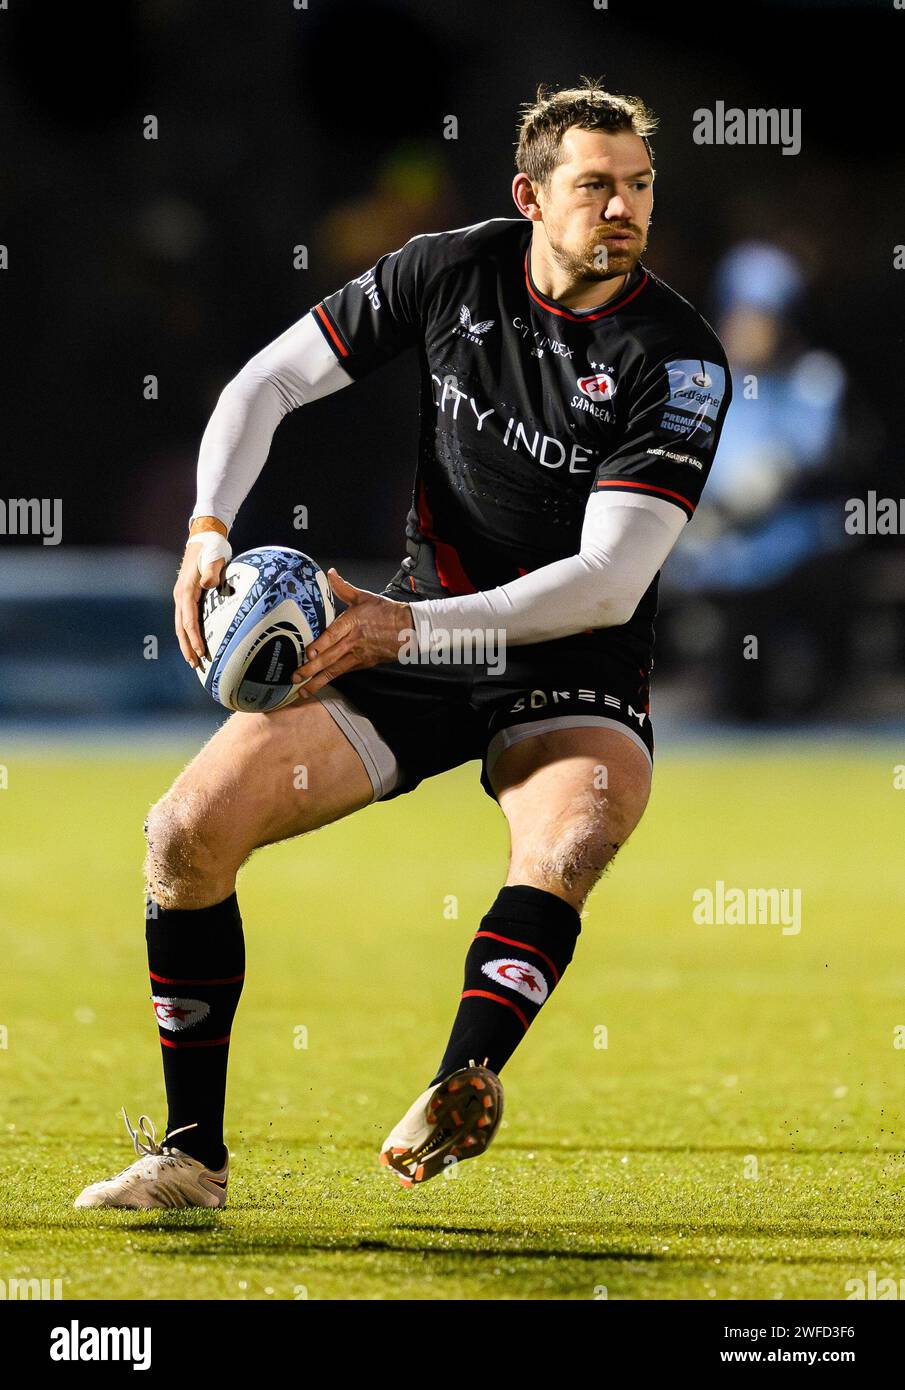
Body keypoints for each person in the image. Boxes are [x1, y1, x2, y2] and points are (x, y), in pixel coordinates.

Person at [75, 79, 731, 1208]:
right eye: (593, 186)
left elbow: (605, 581)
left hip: (568, 660)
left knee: (566, 843)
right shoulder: (450, 271)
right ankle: (191, 1156)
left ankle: (458, 1081)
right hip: (414, 638)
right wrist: (206, 528)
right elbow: (268, 380)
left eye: (638, 186)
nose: (621, 208)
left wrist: (398, 624)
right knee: (185, 834)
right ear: (529, 196)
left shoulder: (673, 360)